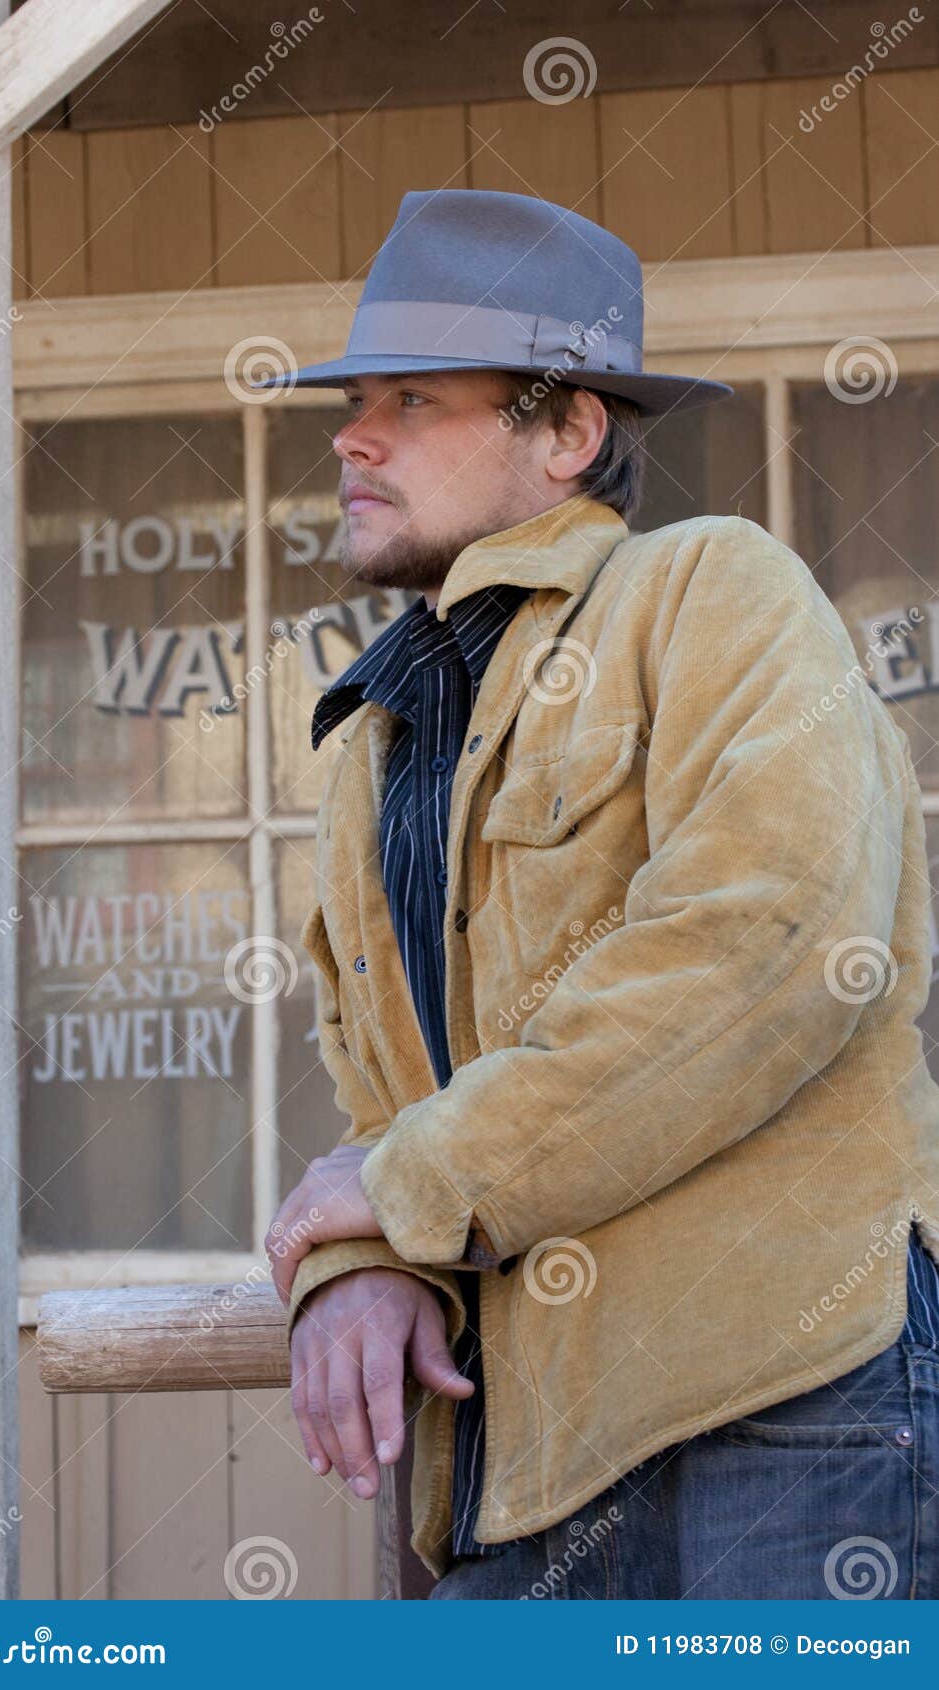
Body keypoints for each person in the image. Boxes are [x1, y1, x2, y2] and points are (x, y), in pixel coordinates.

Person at [262, 189, 939, 1599]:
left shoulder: (711, 593)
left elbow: (761, 950)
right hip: (517, 1455)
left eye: (408, 398)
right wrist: (354, 1264)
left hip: (785, 1404)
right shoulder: (372, 737)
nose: (348, 435)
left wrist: (410, 1187)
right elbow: (384, 1112)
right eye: (351, 398)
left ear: (565, 431)